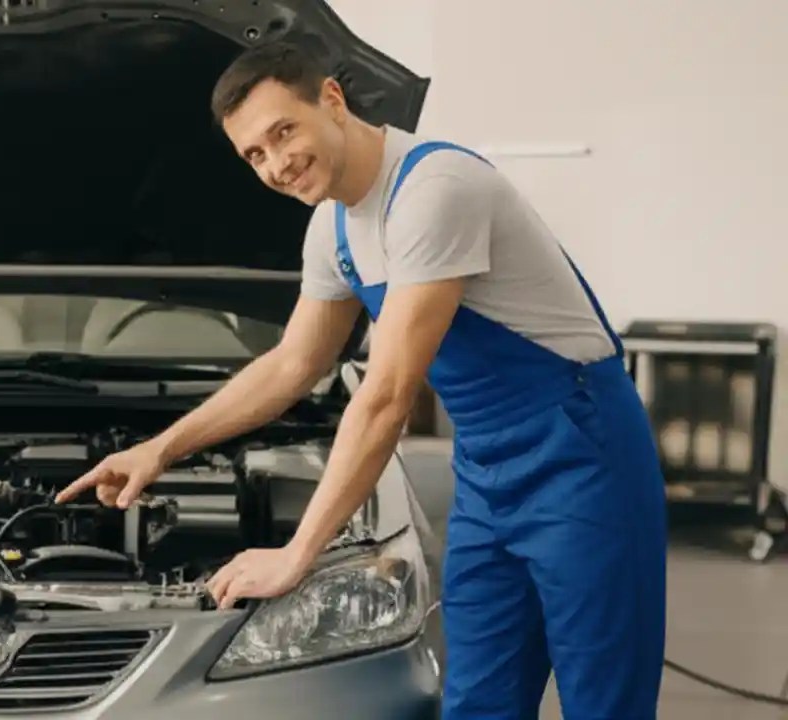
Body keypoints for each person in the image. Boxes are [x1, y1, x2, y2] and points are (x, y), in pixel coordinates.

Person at [57, 41, 667, 719]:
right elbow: (294, 363)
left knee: (603, 701)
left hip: (582, 454)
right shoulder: (334, 231)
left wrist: (298, 553)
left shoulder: (436, 190)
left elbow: (387, 394)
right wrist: (160, 449)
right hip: (489, 470)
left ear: (332, 101)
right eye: (254, 155)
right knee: (477, 702)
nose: (276, 164)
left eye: (282, 131)